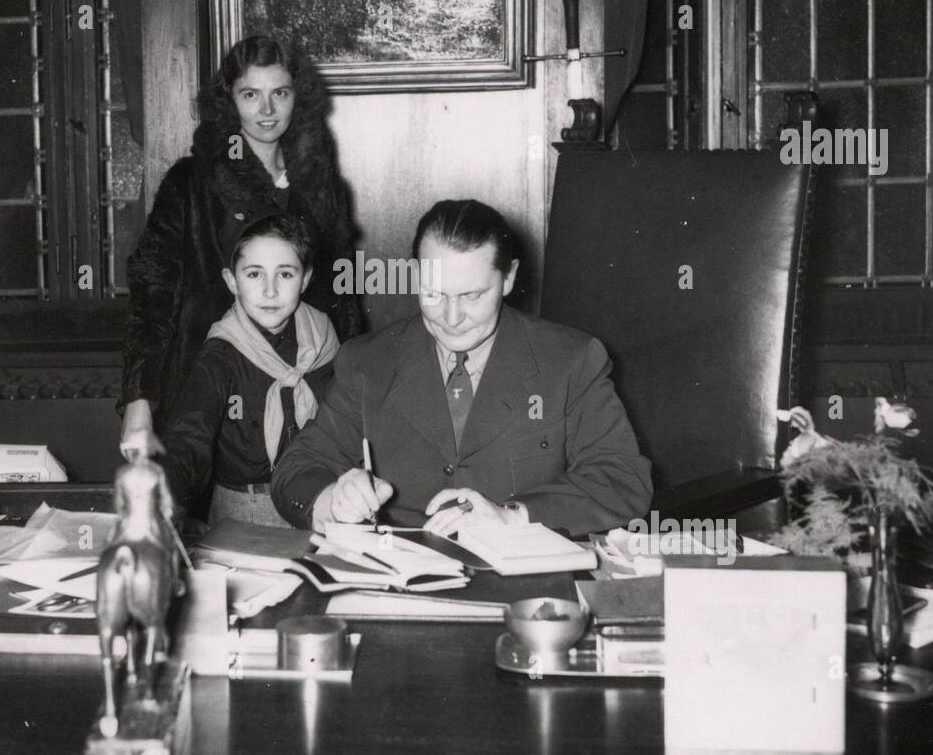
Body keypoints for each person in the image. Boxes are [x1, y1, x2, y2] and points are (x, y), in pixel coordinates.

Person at [272, 199, 653, 536]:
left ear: (509, 278)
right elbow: (295, 470)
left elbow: (623, 481)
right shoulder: (367, 361)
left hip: (526, 587)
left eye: (472, 295)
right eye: (434, 293)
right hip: (402, 588)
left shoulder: (571, 359)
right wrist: (332, 499)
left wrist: (513, 517)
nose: (452, 318)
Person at [119, 36, 363, 481]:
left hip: (307, 394)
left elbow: (343, 302)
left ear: (298, 98)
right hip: (212, 391)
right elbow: (151, 296)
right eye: (250, 94)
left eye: (280, 94)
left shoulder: (322, 186)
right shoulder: (191, 183)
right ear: (229, 101)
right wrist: (140, 403)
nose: (267, 111)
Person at [158, 214, 339, 526]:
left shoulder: (323, 335)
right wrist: (165, 494)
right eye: (254, 275)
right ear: (232, 281)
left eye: (285, 274)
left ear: (305, 279)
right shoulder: (222, 352)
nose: (270, 291)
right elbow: (189, 434)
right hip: (246, 509)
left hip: (317, 499)